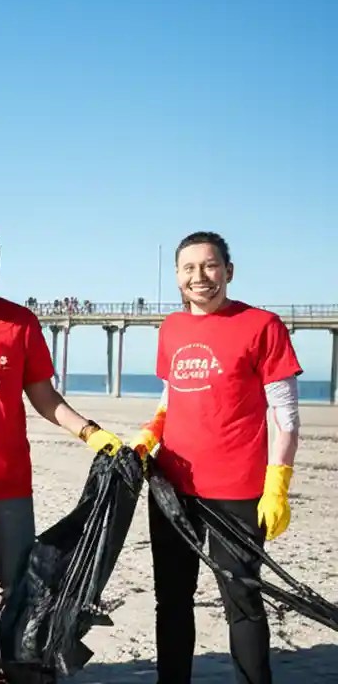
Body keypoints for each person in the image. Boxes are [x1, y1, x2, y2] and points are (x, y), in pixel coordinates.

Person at [0, 218, 124, 684]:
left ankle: (11, 665)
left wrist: (91, 432)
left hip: (7, 479)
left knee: (19, 588)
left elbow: (44, 397)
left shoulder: (20, 322)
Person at [132, 231, 301, 684]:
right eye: (188, 268)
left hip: (239, 492)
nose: (199, 277)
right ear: (176, 276)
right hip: (173, 488)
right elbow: (170, 401)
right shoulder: (171, 328)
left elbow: (285, 416)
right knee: (171, 599)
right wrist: (148, 437)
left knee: (242, 601)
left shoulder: (262, 325)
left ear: (228, 270)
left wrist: (277, 483)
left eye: (209, 266)